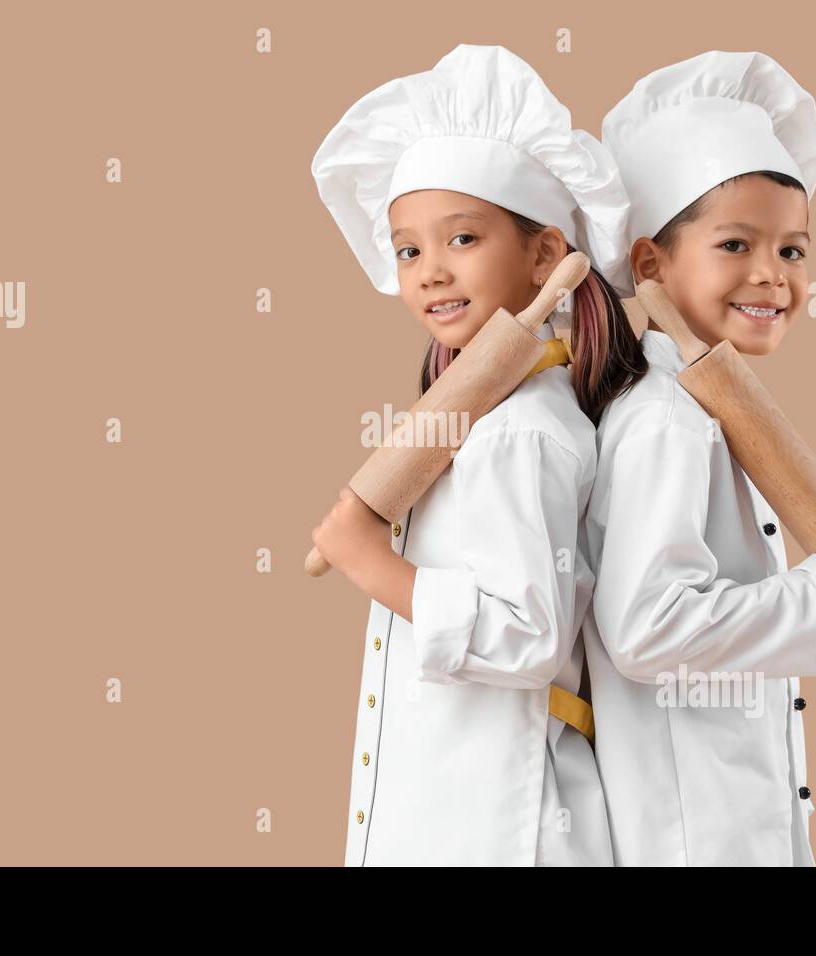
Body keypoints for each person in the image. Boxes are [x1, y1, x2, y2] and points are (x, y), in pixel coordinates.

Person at [309, 44, 646, 865]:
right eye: (408, 250)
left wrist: (364, 559)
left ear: (543, 254)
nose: (430, 272)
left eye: (462, 236)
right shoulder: (481, 416)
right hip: (457, 812)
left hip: (511, 828)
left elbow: (527, 635)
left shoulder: (521, 430)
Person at [588, 50, 816, 866]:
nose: (772, 276)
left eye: (794, 251)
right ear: (651, 263)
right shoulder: (666, 422)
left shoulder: (709, 411)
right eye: (737, 244)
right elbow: (646, 628)